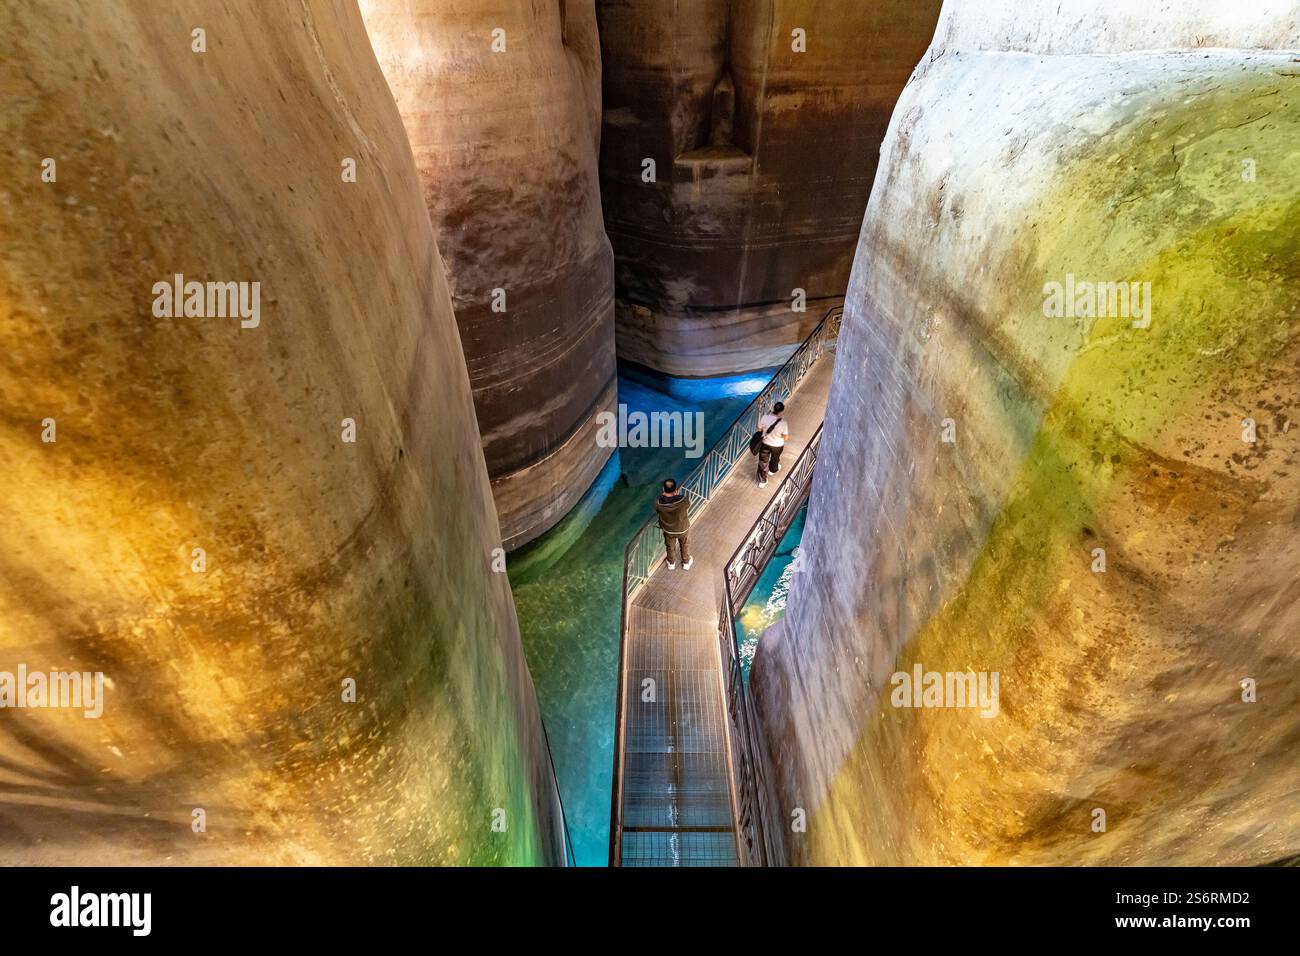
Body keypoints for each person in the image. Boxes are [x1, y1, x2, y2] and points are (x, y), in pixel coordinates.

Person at [654, 478, 692, 570]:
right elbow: (688, 505)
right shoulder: (683, 500)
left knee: (670, 546)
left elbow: (657, 510)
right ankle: (686, 563)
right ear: (675, 490)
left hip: (668, 530)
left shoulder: (658, 502)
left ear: (663, 489)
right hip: (682, 528)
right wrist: (677, 496)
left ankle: (671, 563)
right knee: (684, 544)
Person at [756, 401, 789, 488]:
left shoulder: (764, 417)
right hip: (777, 445)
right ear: (781, 411)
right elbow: (785, 438)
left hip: (765, 443)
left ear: (773, 408)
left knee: (763, 462)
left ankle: (762, 481)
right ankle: (772, 470)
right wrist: (779, 434)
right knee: (775, 458)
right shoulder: (783, 423)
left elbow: (759, 430)